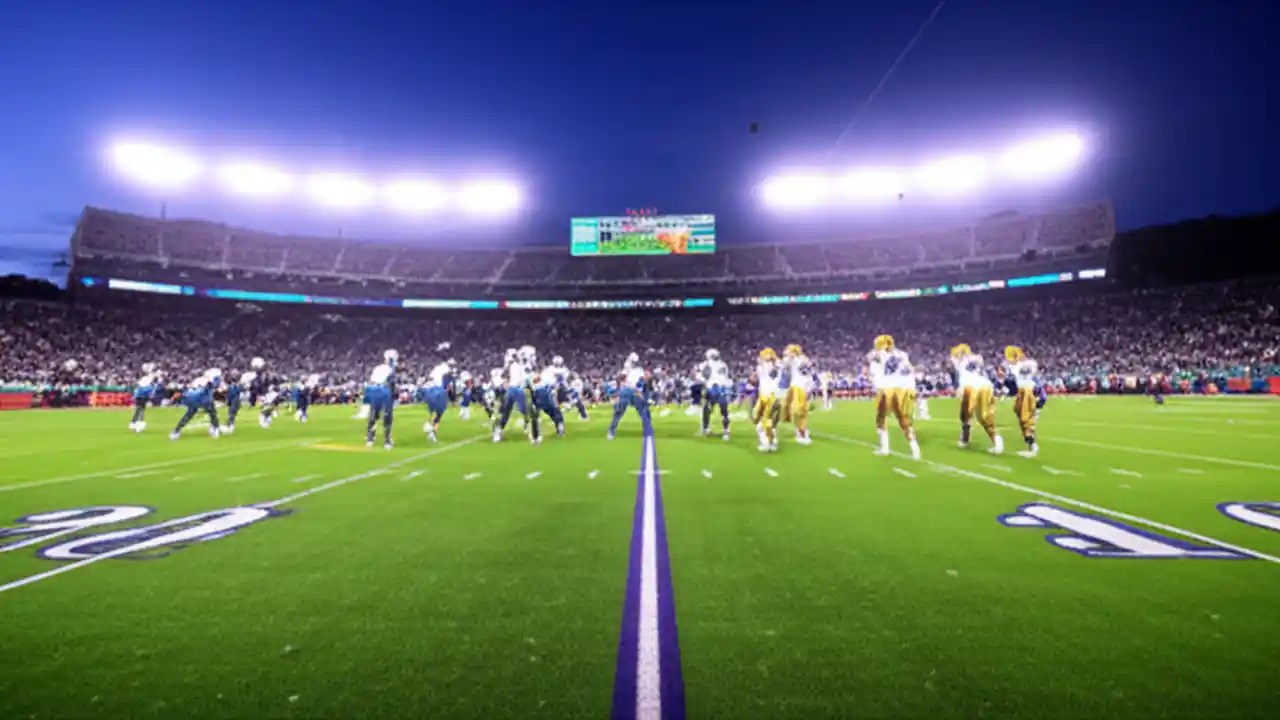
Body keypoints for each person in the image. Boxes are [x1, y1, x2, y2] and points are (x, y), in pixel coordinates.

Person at [950, 343, 1003, 454]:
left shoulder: (968, 359)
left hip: (978, 386)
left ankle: (996, 441)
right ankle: (966, 438)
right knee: (966, 415)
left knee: (982, 417)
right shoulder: (967, 360)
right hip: (975, 386)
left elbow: (976, 361)